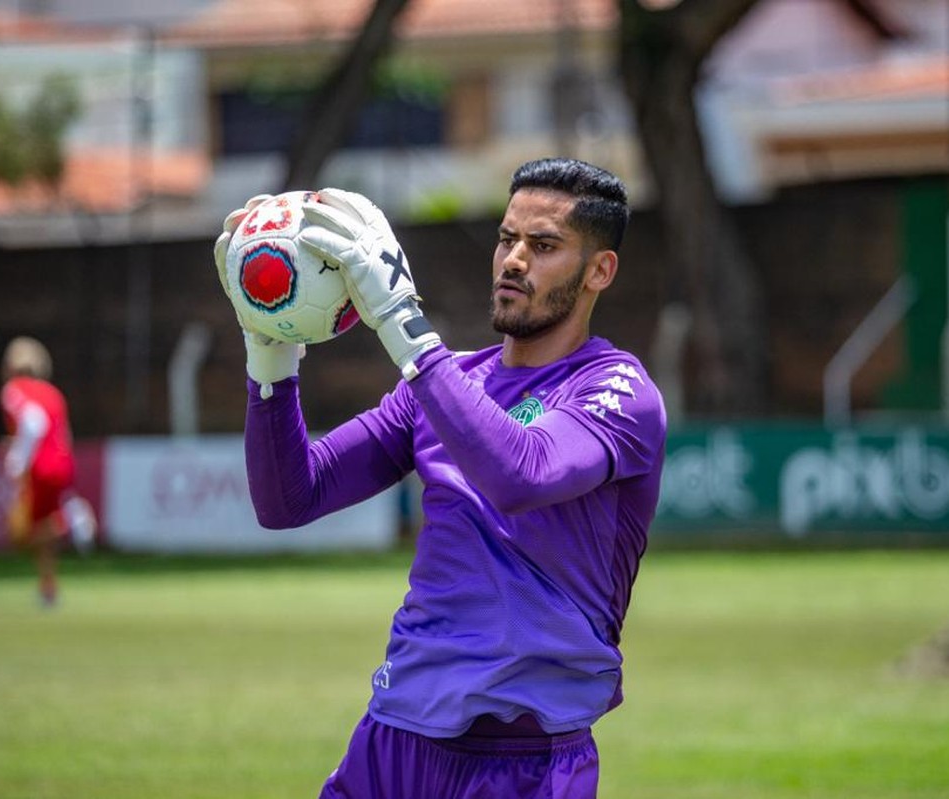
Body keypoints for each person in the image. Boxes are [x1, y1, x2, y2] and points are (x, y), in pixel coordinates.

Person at [215, 158, 667, 798]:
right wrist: (270, 355)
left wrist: (402, 321)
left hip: (525, 761)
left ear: (599, 270)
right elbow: (289, 497)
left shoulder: (617, 389)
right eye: (507, 239)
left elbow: (520, 472)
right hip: (392, 742)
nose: (513, 260)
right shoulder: (447, 381)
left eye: (543, 247)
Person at [0, 336, 95, 607]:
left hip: (39, 468)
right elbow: (62, 433)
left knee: (20, 534)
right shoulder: (53, 393)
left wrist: (17, 459)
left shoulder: (14, 390)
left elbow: (32, 423)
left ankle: (71, 517)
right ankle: (48, 590)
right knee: (42, 532)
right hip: (62, 464)